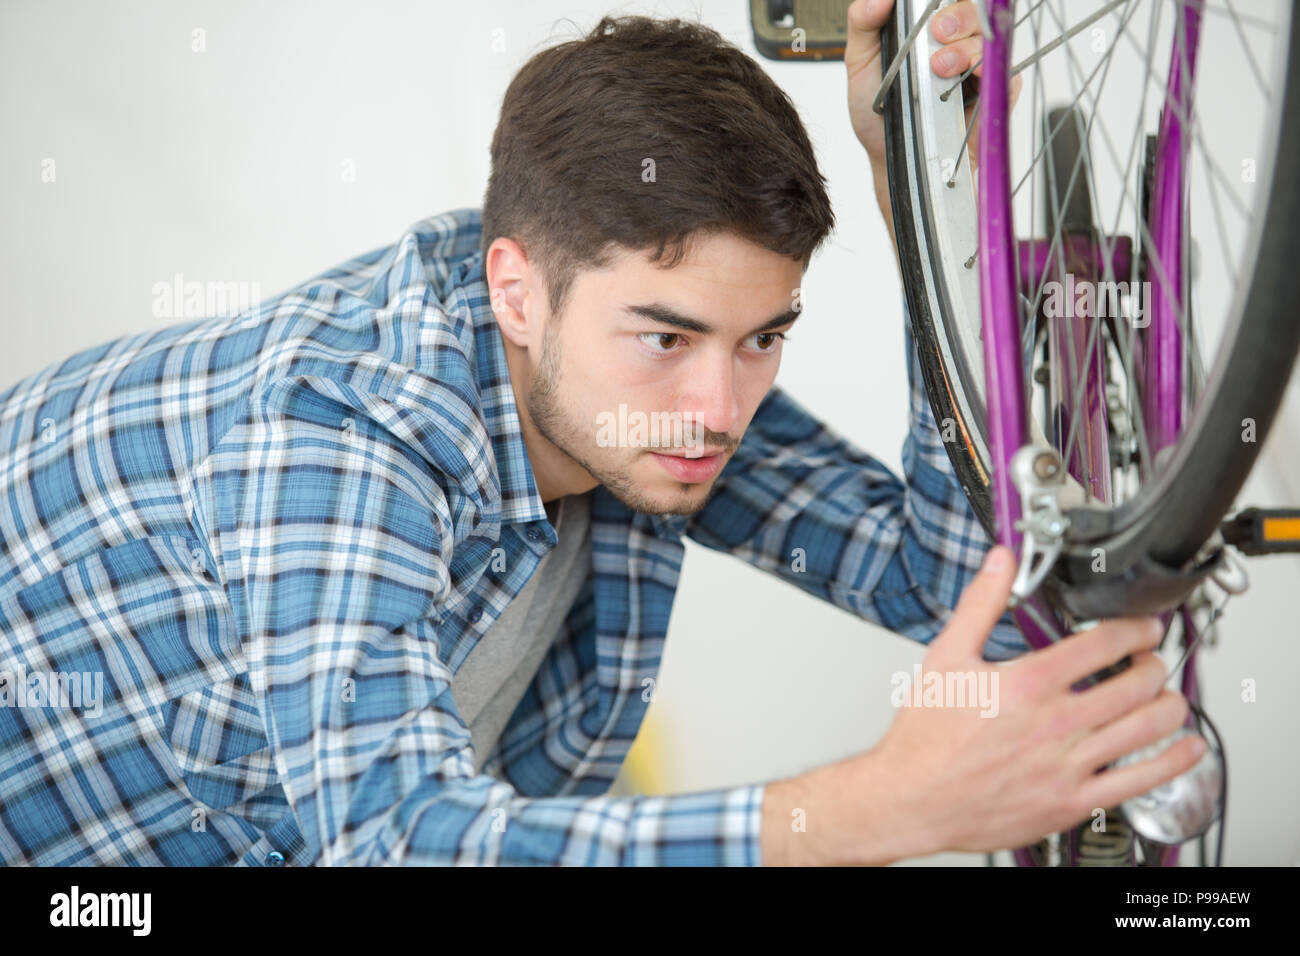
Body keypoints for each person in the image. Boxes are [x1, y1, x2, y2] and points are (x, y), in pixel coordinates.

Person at [0, 0, 1204, 866]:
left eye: (762, 336)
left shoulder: (627, 393)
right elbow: (394, 842)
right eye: (667, 337)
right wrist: (875, 808)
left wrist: (920, 202)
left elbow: (944, 584)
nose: (720, 411)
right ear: (515, 289)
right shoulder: (341, 427)